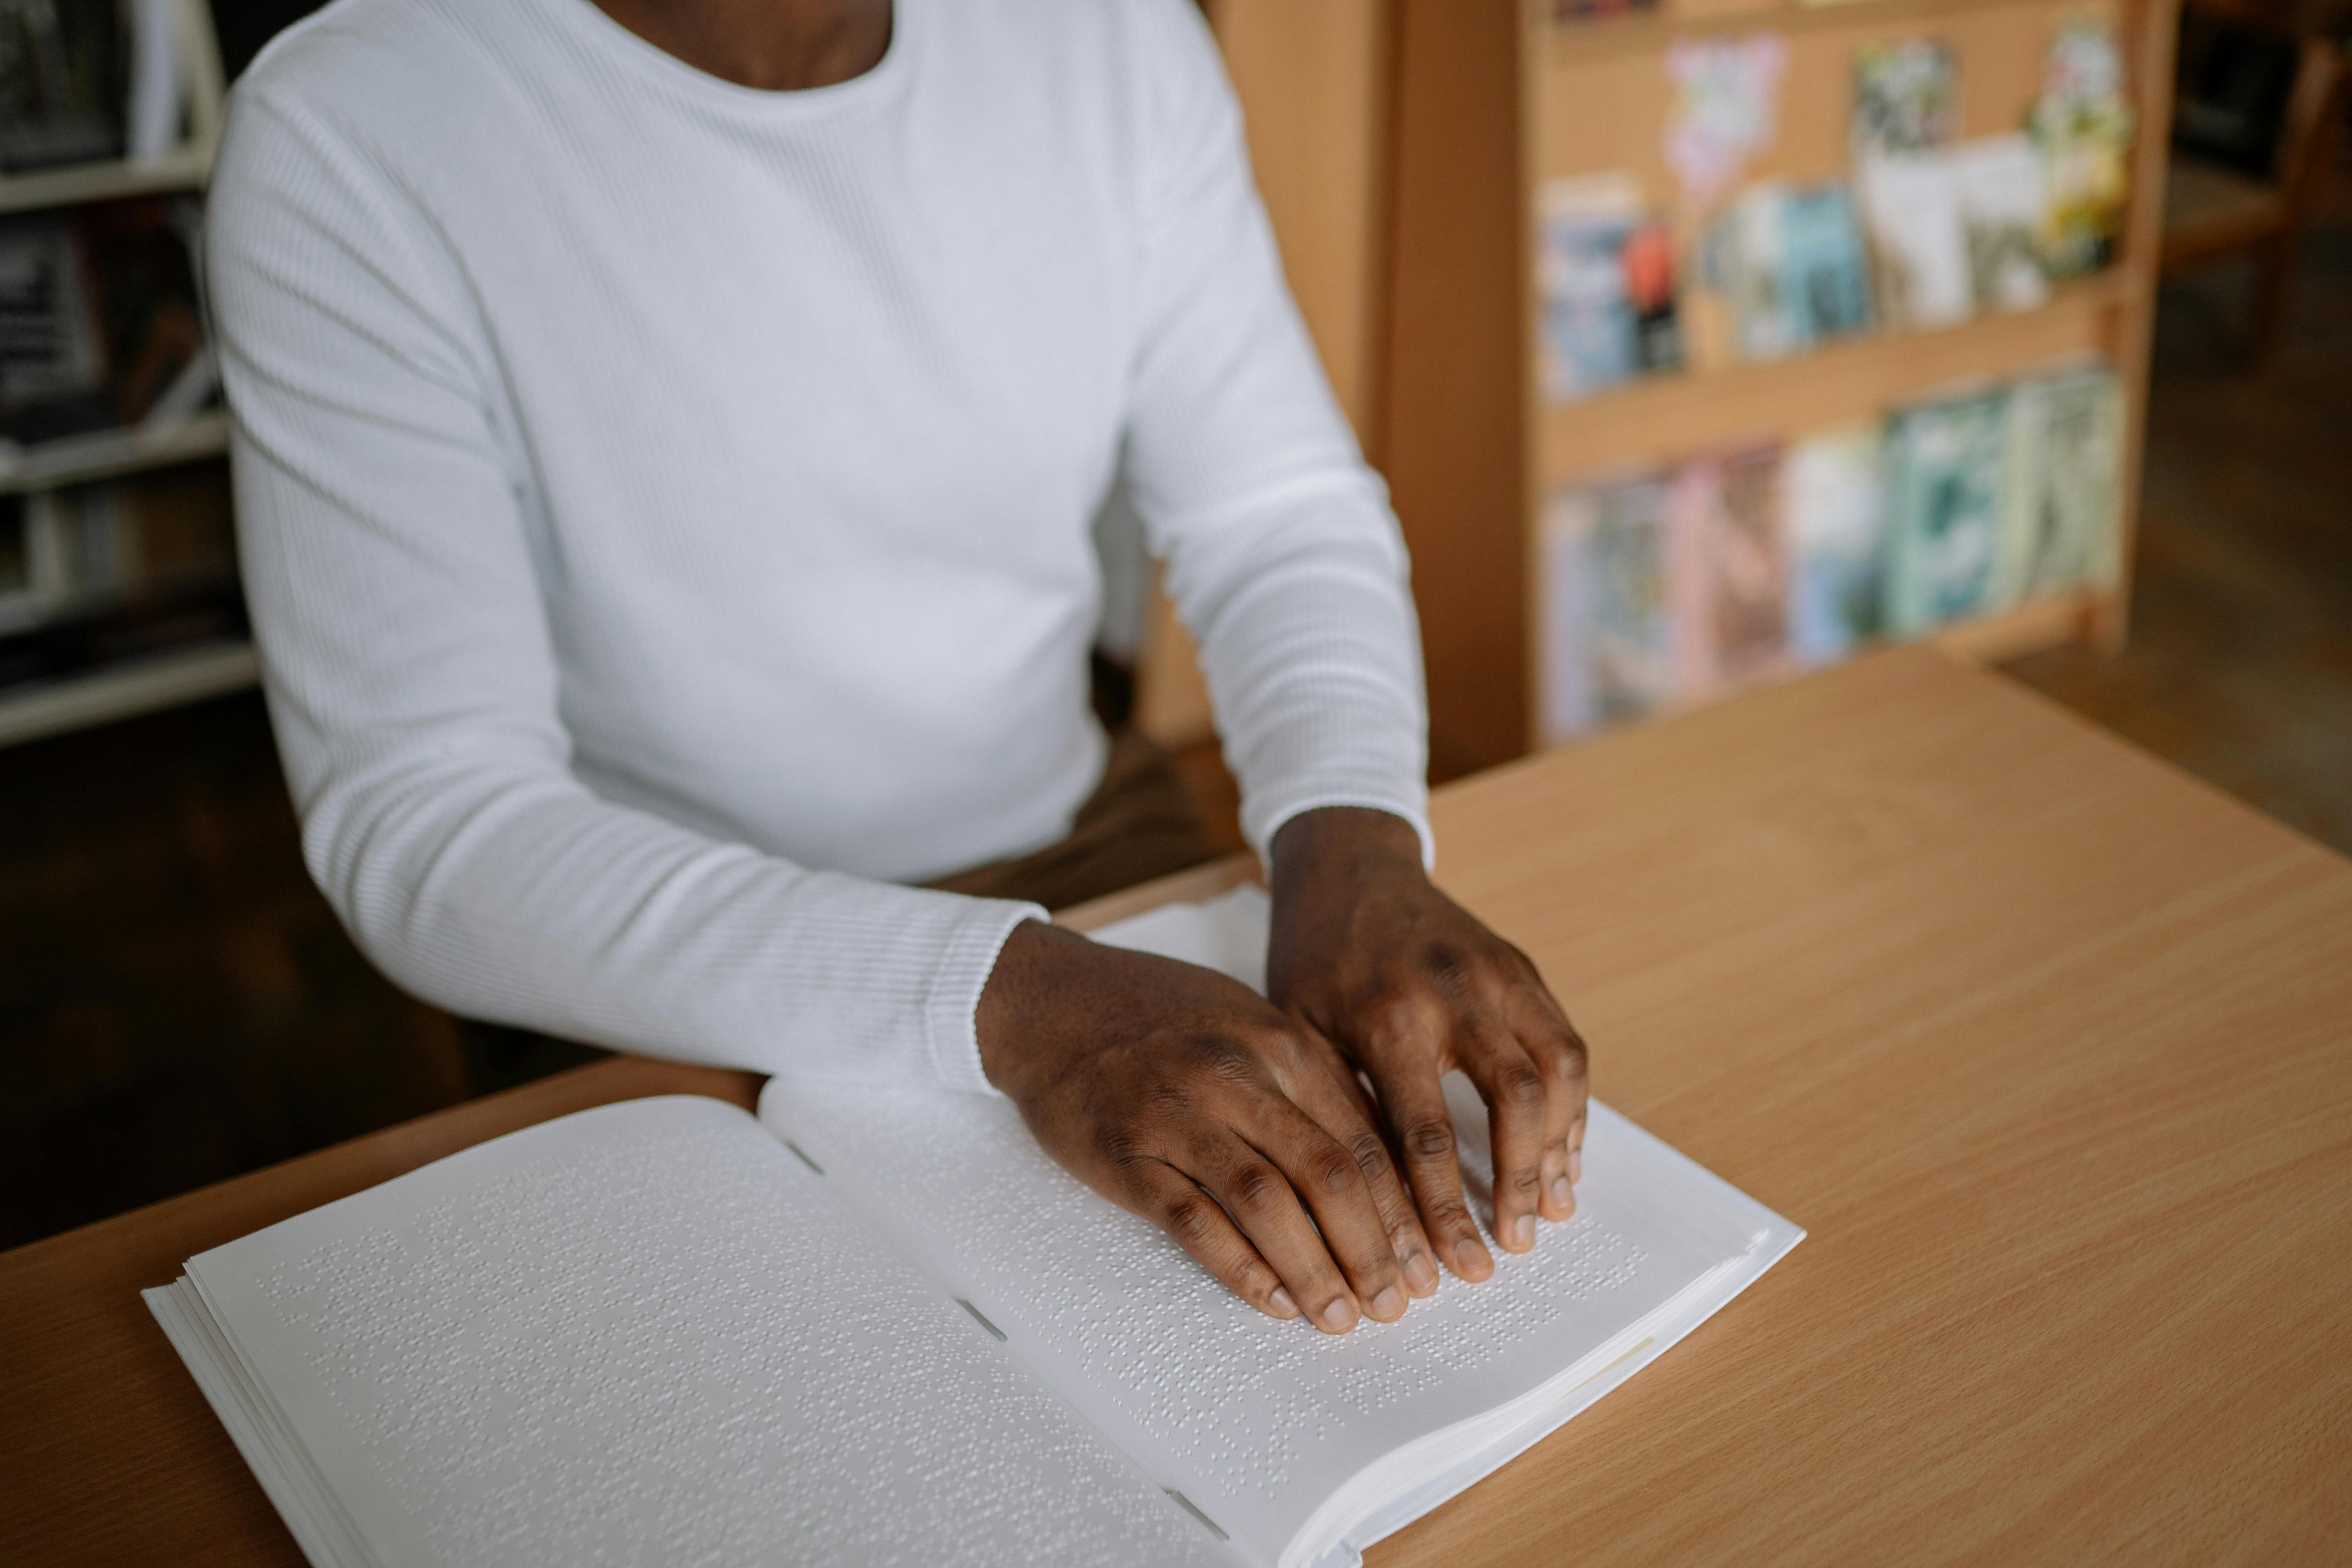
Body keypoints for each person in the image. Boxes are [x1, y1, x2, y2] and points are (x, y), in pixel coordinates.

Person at [209, 0, 1588, 1336]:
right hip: (656, 953)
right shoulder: (357, 127)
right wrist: (1016, 1002)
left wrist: (1352, 836)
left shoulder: (1112, 37)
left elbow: (1273, 510)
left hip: (1088, 844)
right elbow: (430, 825)